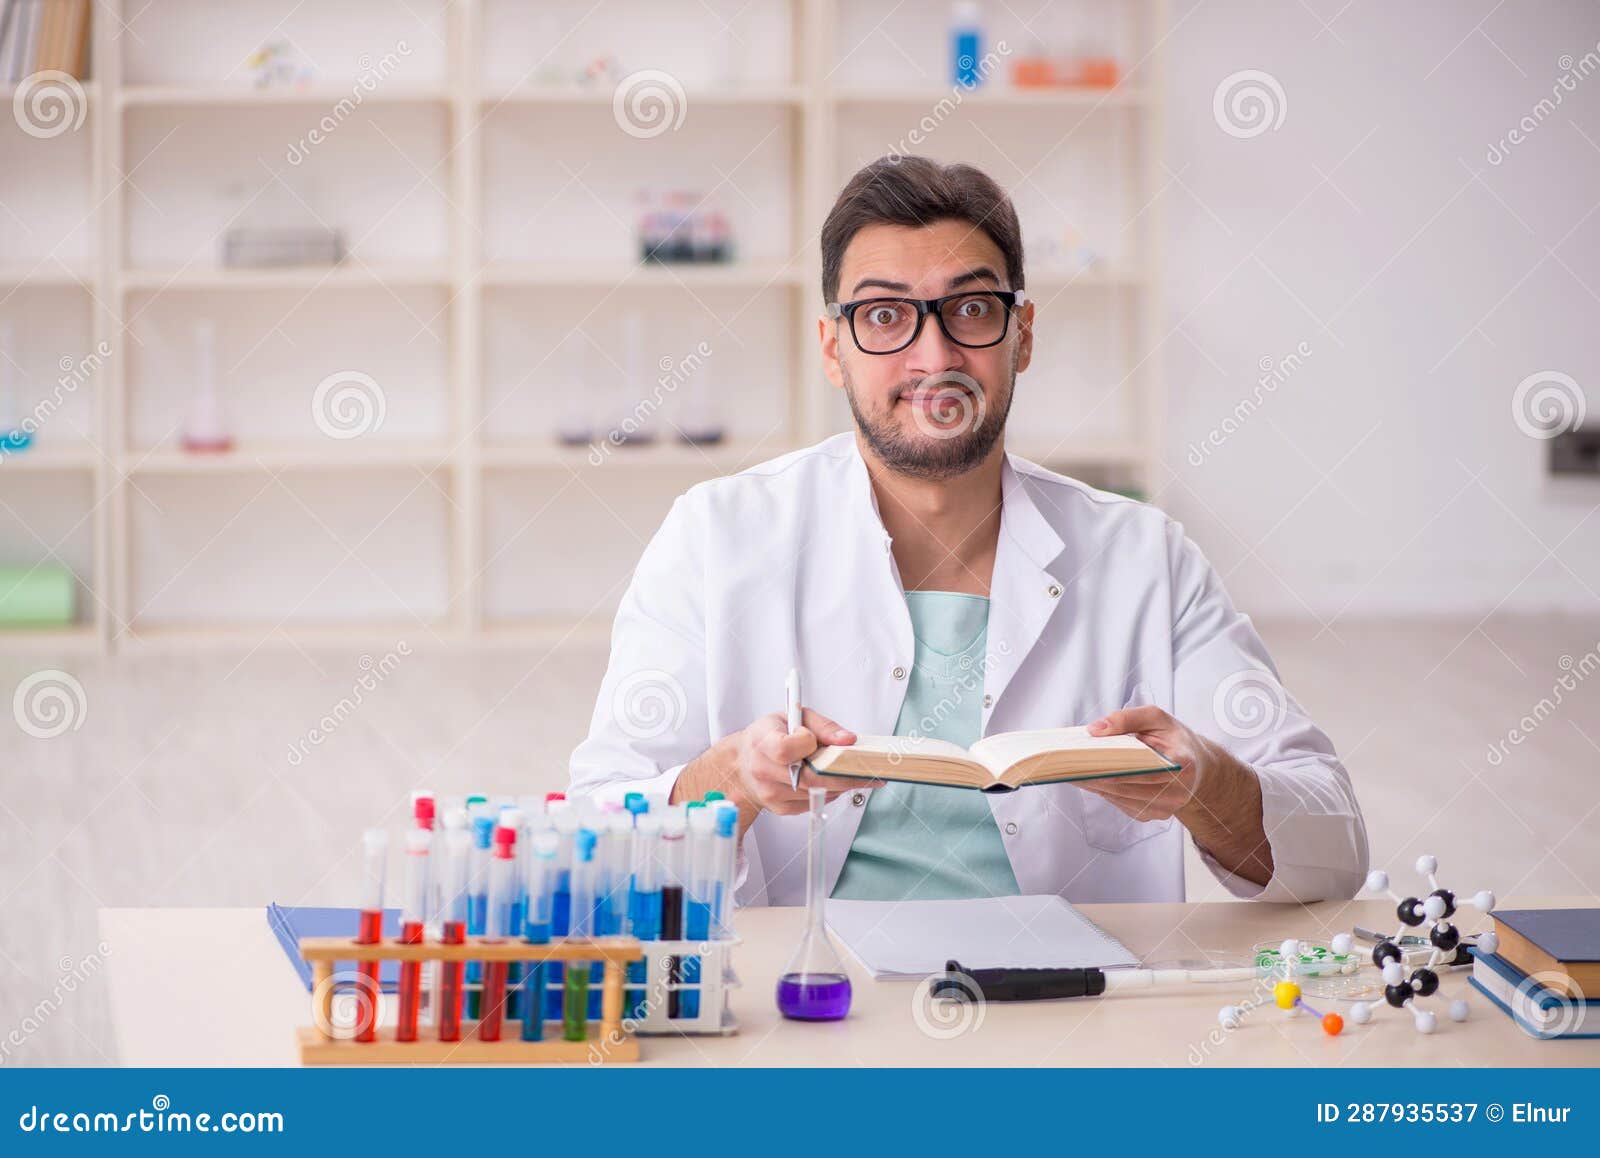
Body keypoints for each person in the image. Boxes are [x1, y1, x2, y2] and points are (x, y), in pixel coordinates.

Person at [570, 155, 1368, 907]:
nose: (933, 354)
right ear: (833, 349)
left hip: (1069, 1018)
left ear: (1022, 336)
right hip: (813, 1012)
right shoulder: (717, 538)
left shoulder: (1143, 558)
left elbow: (1334, 846)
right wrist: (733, 781)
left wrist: (1208, 786)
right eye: (885, 316)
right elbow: (594, 840)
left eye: (971, 309)